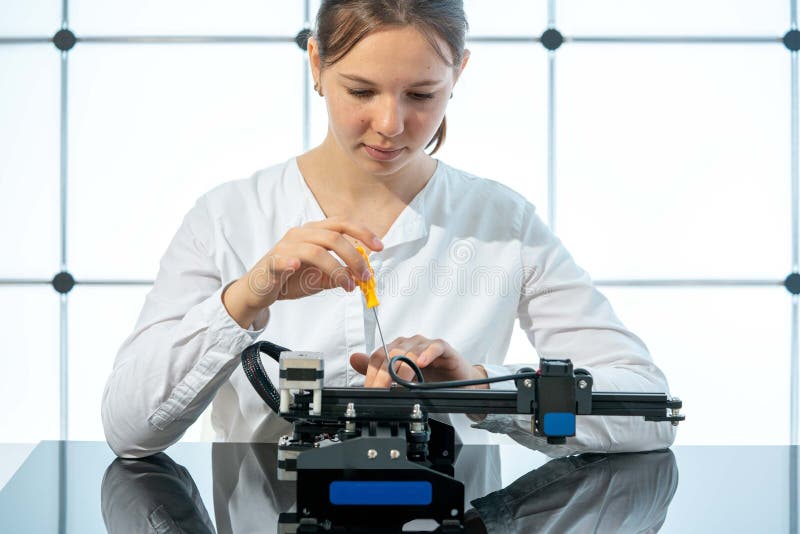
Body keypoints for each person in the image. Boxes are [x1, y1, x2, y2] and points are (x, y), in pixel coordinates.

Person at [102, 0, 676, 458]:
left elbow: (646, 410)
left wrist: (478, 386)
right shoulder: (228, 217)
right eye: (361, 91)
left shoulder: (505, 224)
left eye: (422, 95)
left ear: (460, 73)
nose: (391, 124)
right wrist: (246, 297)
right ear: (316, 65)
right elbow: (129, 431)